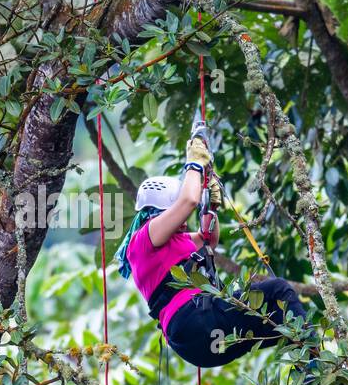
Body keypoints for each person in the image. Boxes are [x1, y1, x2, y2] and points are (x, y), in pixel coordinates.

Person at [115, 133, 306, 369]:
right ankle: (312, 366)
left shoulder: (177, 241)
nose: (183, 222)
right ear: (159, 211)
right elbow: (188, 202)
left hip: (199, 340)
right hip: (193, 320)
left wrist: (212, 204)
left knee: (281, 321)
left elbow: (208, 239)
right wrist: (194, 163)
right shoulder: (144, 239)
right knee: (278, 290)